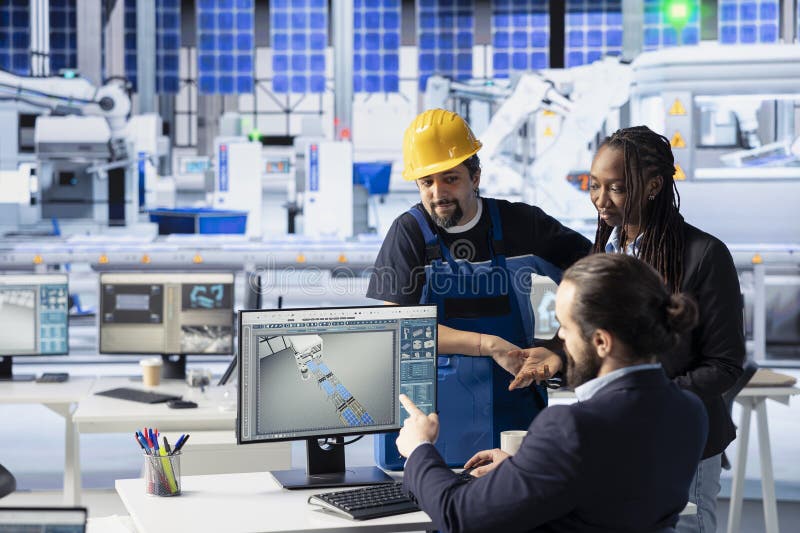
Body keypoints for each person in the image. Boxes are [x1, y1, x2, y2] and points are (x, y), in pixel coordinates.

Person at [512, 125, 744, 533]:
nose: (601, 200)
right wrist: (557, 356)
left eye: (616, 188)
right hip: (617, 443)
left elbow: (724, 365)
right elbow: (601, 345)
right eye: (594, 185)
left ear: (654, 186)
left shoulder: (705, 255)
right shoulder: (604, 251)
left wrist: (650, 402)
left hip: (681, 445)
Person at [397, 253, 709, 533]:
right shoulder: (689, 410)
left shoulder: (570, 427)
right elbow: (609, 492)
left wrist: (418, 450)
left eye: (565, 327)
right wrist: (522, 470)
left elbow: (458, 515)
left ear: (601, 342)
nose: (559, 337)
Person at [367, 109, 591, 466]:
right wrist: (489, 346)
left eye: (450, 178)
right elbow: (399, 327)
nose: (438, 193)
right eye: (427, 181)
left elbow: (602, 285)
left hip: (513, 414)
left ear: (475, 176)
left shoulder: (524, 225)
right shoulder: (408, 232)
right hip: (433, 423)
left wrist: (557, 350)